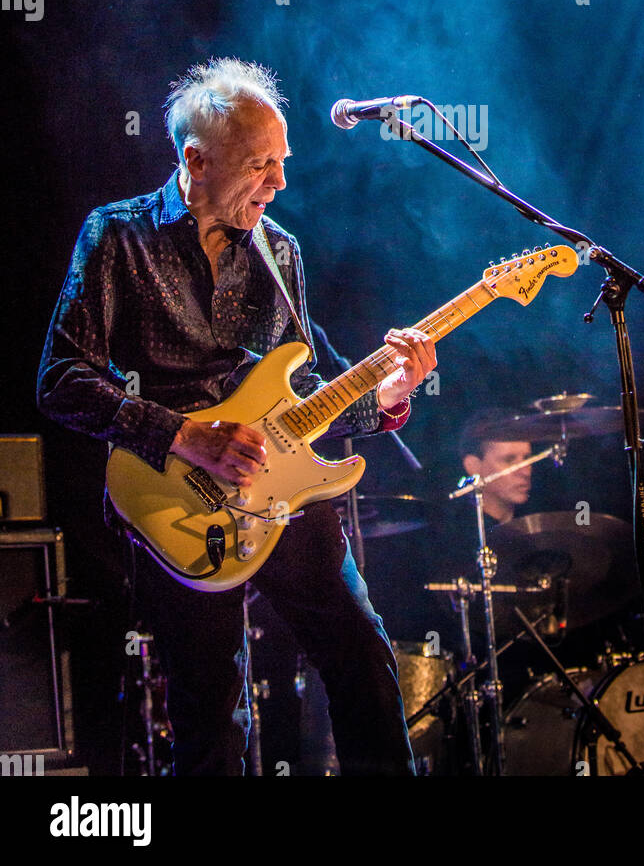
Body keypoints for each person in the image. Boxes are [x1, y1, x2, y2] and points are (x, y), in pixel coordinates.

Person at [37, 57, 437, 775]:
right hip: (176, 495)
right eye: (260, 166)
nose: (279, 184)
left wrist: (383, 398)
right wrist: (186, 435)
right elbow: (61, 380)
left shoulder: (280, 249)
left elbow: (305, 389)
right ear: (196, 159)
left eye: (282, 164)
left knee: (363, 658)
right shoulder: (118, 236)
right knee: (212, 705)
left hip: (284, 495)